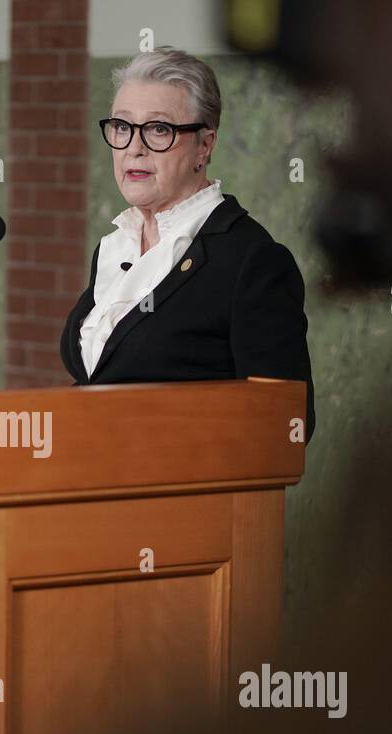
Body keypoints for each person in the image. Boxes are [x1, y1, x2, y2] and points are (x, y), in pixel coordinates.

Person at [61, 46, 315, 441]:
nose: (134, 147)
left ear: (205, 145)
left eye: (159, 129)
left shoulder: (251, 260)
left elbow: (286, 427)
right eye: (123, 126)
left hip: (182, 499)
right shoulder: (115, 247)